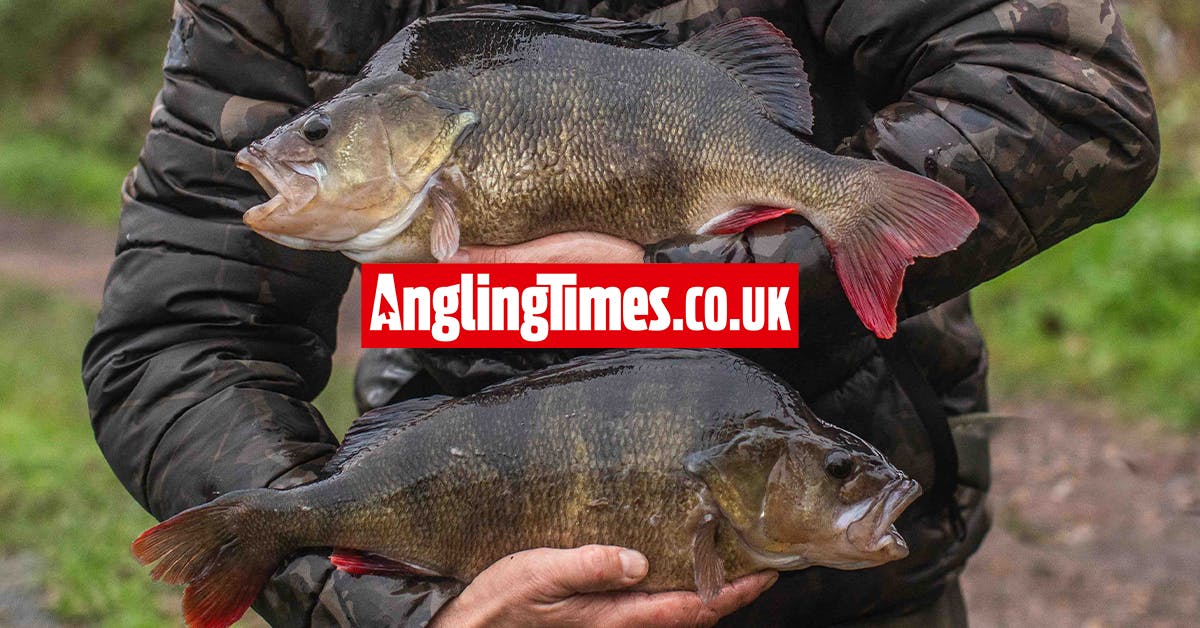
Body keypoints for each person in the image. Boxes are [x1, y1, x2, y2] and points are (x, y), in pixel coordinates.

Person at [82, 0, 1158, 625]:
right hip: (467, 554)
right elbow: (181, 330)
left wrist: (681, 282)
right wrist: (397, 606)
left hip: (836, 577)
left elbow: (1070, 90)